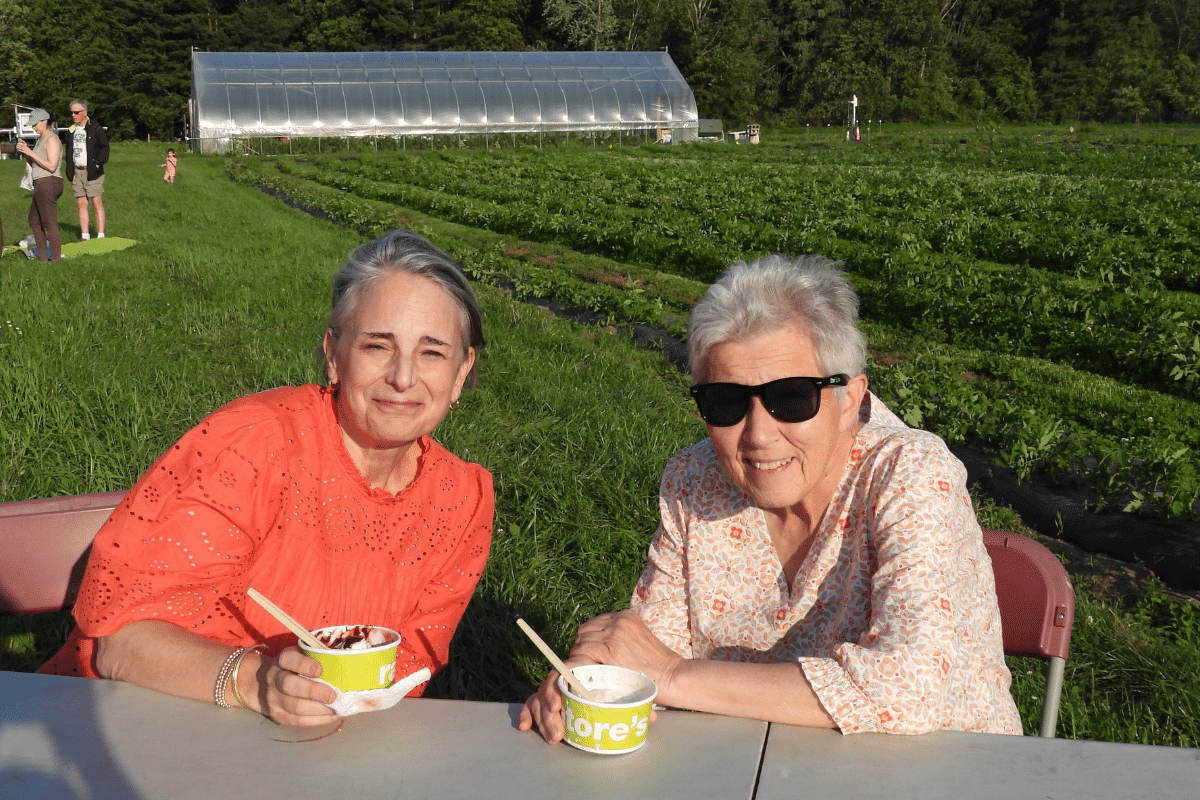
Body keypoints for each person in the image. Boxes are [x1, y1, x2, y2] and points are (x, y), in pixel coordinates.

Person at [520, 254, 1022, 739]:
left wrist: (672, 675)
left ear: (851, 399)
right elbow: (650, 646)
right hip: (748, 765)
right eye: (726, 401)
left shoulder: (909, 473)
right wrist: (595, 678)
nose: (758, 434)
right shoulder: (695, 478)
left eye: (791, 398)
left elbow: (907, 688)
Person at [41, 228, 495, 728]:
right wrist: (255, 681)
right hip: (121, 732)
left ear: (461, 371)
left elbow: (409, 666)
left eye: (432, 352)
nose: (403, 377)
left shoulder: (464, 499)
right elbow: (119, 645)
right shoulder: (255, 445)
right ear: (334, 354)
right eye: (376, 346)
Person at [15, 108, 63, 262]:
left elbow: (51, 166)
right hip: (40, 183)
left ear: (45, 121)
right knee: (34, 220)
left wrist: (30, 152)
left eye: (35, 124)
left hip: (49, 182)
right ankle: (43, 258)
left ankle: (55, 260)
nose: (33, 127)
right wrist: (26, 153)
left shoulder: (52, 139)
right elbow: (36, 163)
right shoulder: (40, 139)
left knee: (49, 222)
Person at [64, 99, 109, 240]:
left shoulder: (95, 128)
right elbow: (68, 149)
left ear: (85, 112)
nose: (73, 115)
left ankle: (100, 235)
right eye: (71, 112)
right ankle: (85, 235)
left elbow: (105, 147)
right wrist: (69, 169)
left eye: (76, 112)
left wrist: (97, 163)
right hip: (77, 171)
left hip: (92, 172)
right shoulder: (71, 130)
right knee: (81, 203)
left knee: (96, 202)